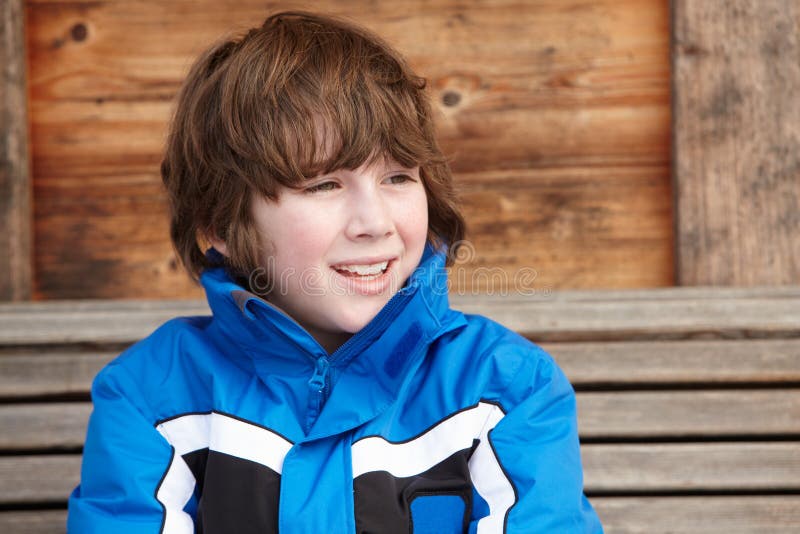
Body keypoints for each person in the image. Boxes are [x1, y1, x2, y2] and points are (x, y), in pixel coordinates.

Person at [67, 10, 602, 533]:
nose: (375, 223)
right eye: (324, 185)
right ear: (220, 223)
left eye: (397, 177)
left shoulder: (503, 389)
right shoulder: (151, 399)